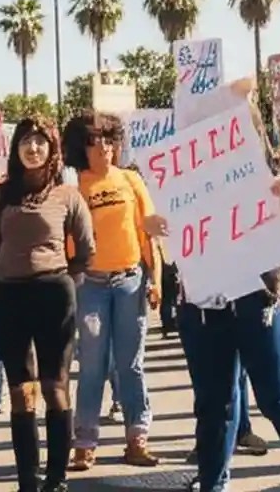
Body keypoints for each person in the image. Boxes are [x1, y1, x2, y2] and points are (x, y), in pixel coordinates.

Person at [169, 79, 280, 492]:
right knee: (214, 407)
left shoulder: (262, 177)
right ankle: (213, 484)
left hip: (255, 302)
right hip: (204, 305)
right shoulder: (182, 184)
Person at [0, 115, 96, 492]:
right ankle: (27, 481)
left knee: (54, 387)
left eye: (40, 142)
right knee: (21, 392)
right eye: (25, 142)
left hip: (54, 296)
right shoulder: (0, 195)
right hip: (10, 295)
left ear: (52, 149)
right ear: (15, 150)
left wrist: (59, 275)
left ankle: (56, 478)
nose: (33, 149)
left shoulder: (68, 195)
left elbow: (85, 251)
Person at [61, 111, 162, 470]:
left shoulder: (131, 179)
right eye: (93, 141)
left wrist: (156, 281)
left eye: (108, 138)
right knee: (92, 366)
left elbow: (147, 228)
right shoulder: (74, 188)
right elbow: (66, 240)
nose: (103, 146)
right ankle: (84, 442)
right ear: (81, 148)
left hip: (130, 281)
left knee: (130, 365)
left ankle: (138, 437)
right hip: (91, 286)